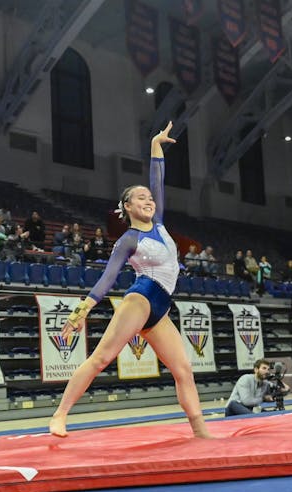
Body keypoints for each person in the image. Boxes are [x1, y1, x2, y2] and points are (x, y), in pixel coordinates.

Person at [49, 122, 212, 439]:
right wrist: (83, 309)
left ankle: (201, 433)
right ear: (127, 207)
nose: (149, 200)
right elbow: (108, 278)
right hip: (140, 299)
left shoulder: (160, 221)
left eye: (150, 197)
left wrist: (155, 145)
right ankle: (59, 415)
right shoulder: (128, 239)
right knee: (101, 359)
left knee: (183, 369)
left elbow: (158, 178)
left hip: (161, 309)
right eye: (140, 198)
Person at [224, 358, 289, 416]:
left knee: (271, 414)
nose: (267, 371)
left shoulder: (265, 383)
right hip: (233, 409)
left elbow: (284, 390)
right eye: (264, 368)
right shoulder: (245, 379)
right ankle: (256, 417)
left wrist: (278, 380)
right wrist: (263, 398)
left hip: (249, 410)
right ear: (256, 369)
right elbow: (246, 401)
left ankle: (257, 417)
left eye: (268, 369)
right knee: (233, 403)